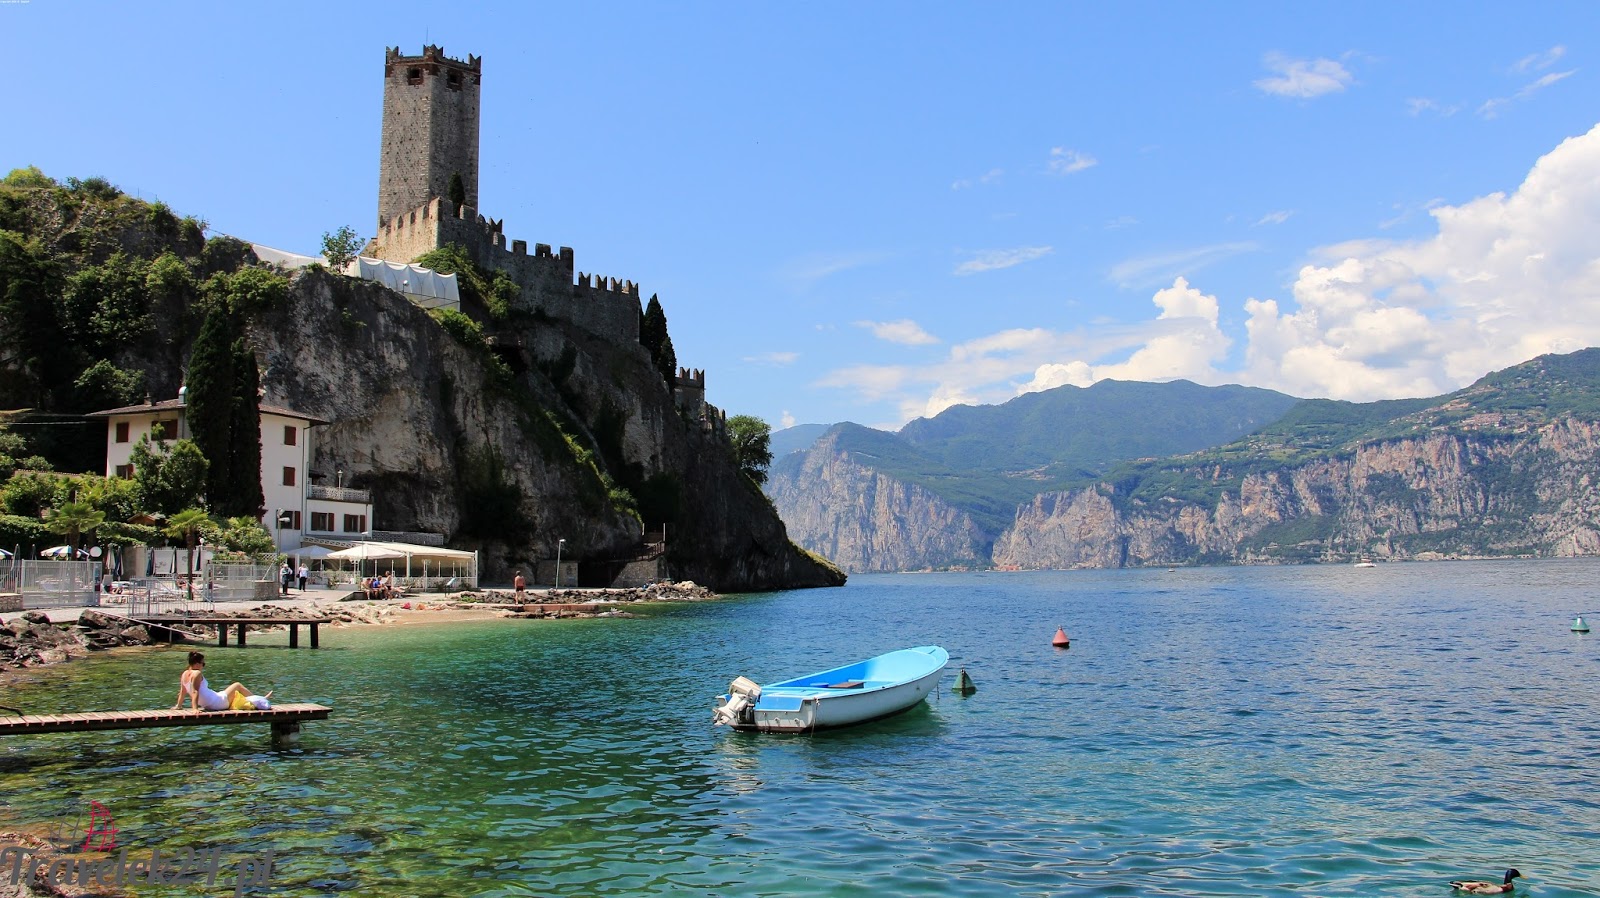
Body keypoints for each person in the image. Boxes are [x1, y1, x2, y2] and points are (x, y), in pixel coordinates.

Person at [172, 651, 270, 713]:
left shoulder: (185, 673)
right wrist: (194, 709)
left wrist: (179, 706)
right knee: (237, 685)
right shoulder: (197, 673)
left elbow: (183, 692)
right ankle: (259, 700)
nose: (203, 665)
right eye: (203, 663)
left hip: (211, 702)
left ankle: (258, 699)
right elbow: (194, 692)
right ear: (197, 664)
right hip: (217, 703)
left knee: (232, 689)